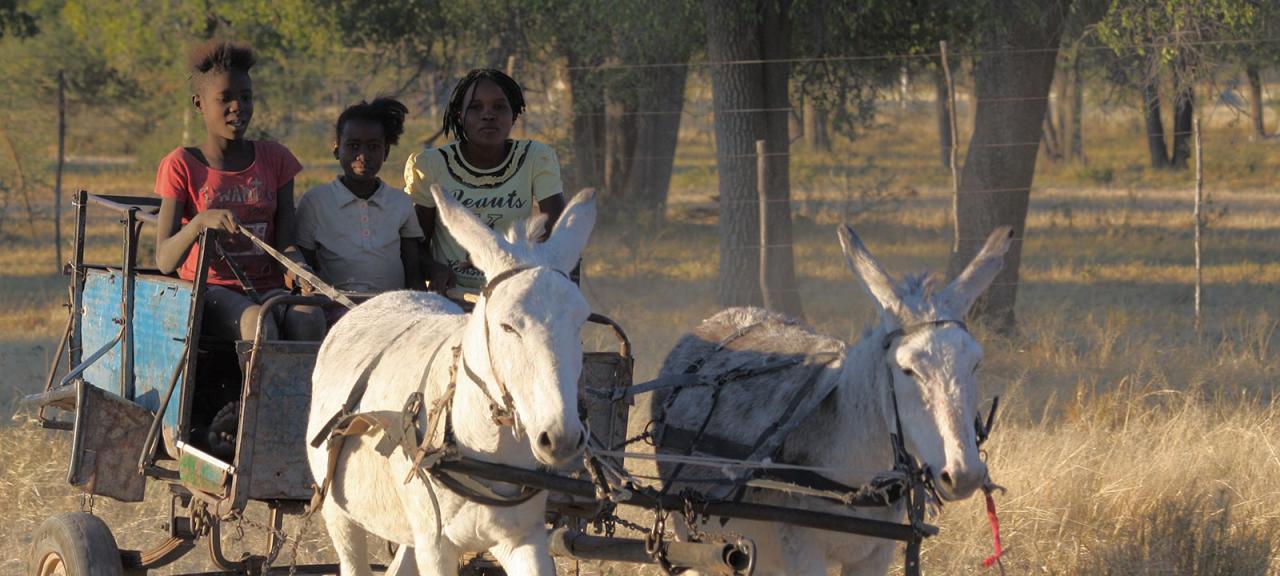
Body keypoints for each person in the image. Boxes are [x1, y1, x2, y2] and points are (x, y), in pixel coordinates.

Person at [154, 39, 325, 343]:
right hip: (209, 291)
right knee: (259, 324)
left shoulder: (276, 159)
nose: (238, 107)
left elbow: (285, 245)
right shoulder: (182, 164)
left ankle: (296, 379)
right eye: (226, 98)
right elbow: (165, 260)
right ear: (199, 104)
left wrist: (300, 270)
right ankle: (257, 378)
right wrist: (199, 222)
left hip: (269, 288)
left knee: (310, 318)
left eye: (246, 97)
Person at [404, 68, 566, 297]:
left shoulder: (535, 159)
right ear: (459, 116)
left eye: (499, 107)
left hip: (512, 296)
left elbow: (558, 237)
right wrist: (435, 270)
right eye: (475, 107)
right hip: (450, 300)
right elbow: (414, 245)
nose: (488, 115)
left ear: (514, 115)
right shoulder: (430, 165)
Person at [296, 97, 424, 325]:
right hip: (337, 311)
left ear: (386, 152)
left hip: (394, 310)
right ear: (337, 149)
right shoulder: (315, 202)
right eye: (353, 146)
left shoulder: (401, 203)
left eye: (373, 147)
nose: (363, 156)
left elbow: (413, 271)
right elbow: (305, 267)